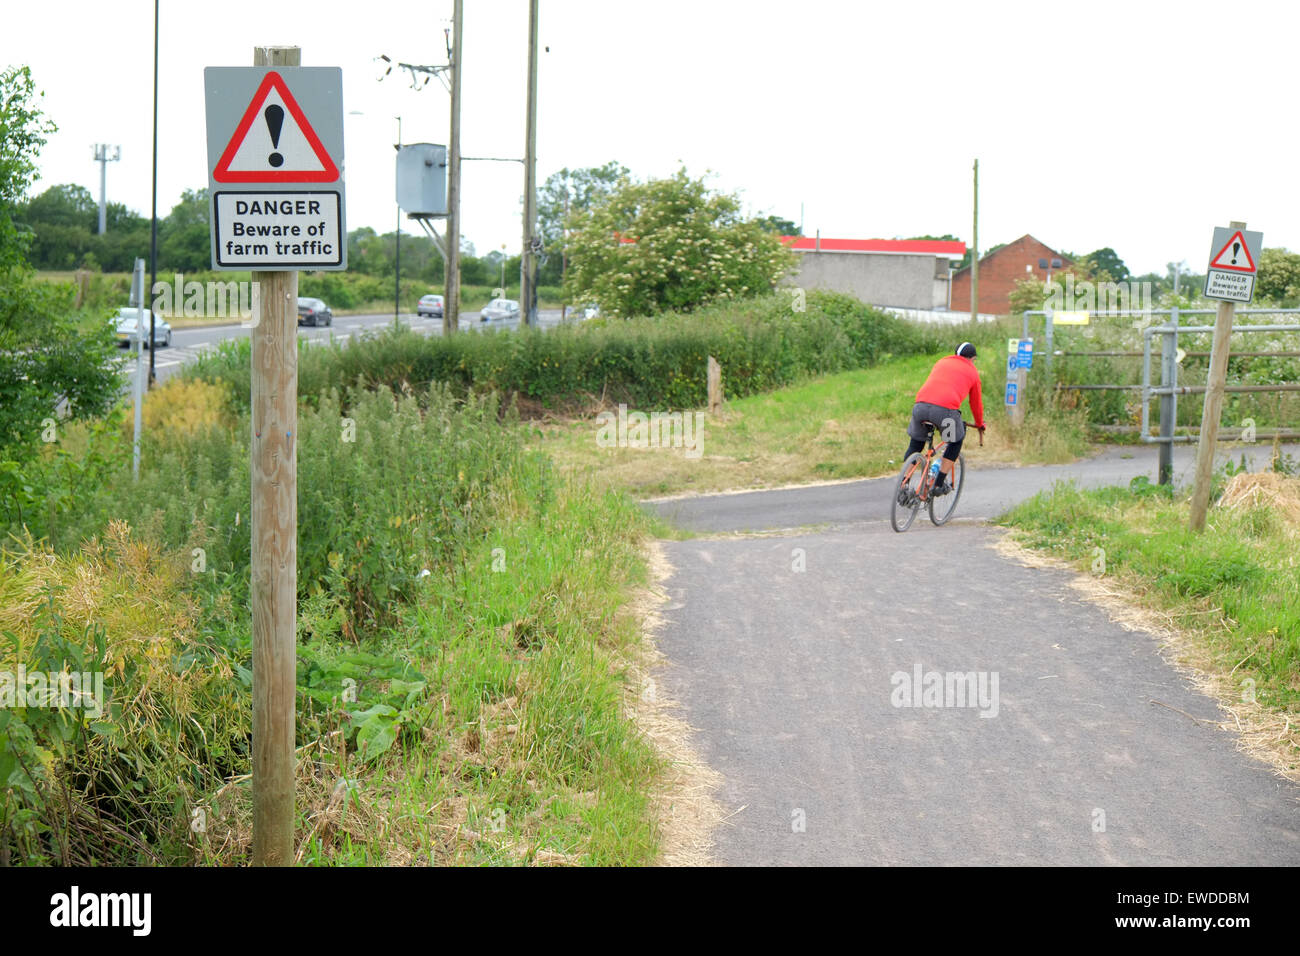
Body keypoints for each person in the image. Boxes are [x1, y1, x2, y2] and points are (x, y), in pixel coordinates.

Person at [901, 342, 986, 497]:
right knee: (954, 440)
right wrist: (980, 424)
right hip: (945, 412)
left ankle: (903, 486)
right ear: (972, 358)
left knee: (916, 443)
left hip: (920, 406)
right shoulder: (972, 372)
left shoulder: (942, 362)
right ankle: (938, 484)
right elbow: (976, 404)